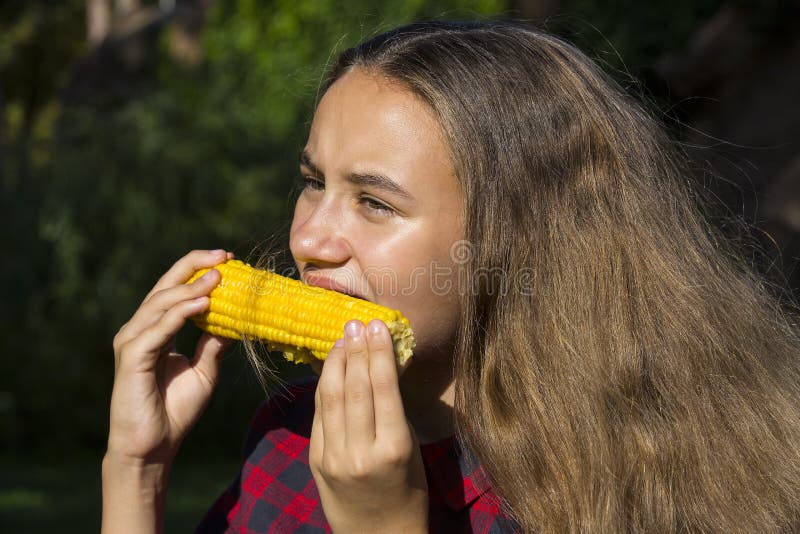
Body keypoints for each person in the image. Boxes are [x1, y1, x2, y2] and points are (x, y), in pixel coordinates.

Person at [102, 20, 800, 533]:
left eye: (374, 201)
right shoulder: (292, 436)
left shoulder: (636, 483)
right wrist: (137, 468)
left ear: (517, 240)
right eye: (313, 182)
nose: (309, 239)